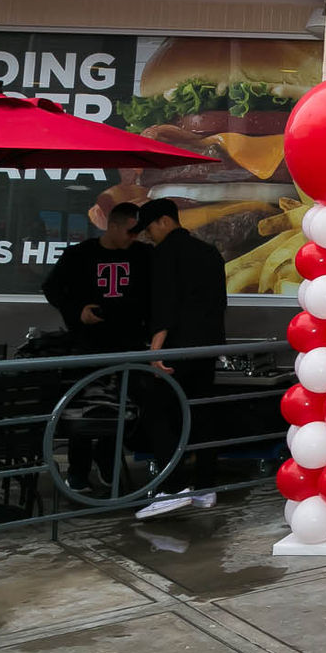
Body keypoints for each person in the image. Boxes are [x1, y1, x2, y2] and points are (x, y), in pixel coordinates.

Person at [132, 198, 227, 521]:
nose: (147, 236)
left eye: (148, 229)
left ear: (163, 221)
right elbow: (219, 304)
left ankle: (172, 488)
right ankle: (206, 487)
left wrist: (156, 348)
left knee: (156, 412)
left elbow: (165, 303)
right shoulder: (210, 252)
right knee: (203, 413)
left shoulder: (165, 254)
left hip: (177, 348)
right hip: (209, 346)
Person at [42, 201, 151, 353]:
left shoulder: (143, 254)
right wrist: (77, 312)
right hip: (89, 342)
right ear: (113, 227)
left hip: (132, 341)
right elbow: (52, 288)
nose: (134, 237)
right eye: (130, 232)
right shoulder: (79, 254)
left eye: (137, 233)